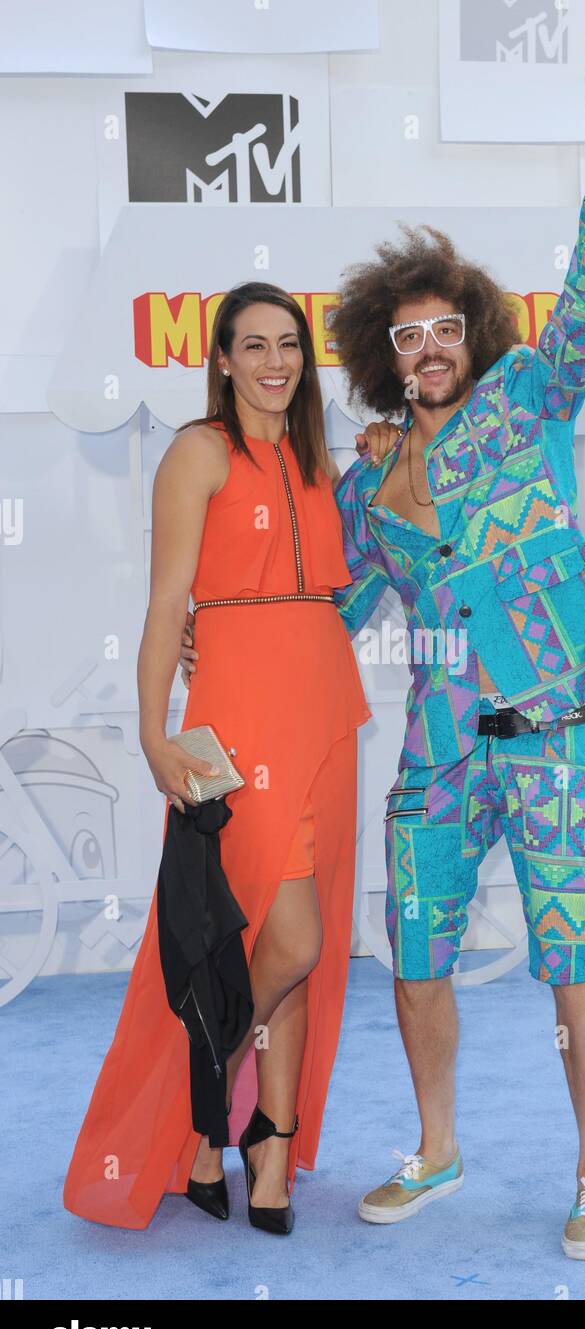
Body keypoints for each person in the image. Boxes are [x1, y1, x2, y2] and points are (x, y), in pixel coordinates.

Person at [181, 56, 585, 1258]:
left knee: (572, 955)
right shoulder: (367, 490)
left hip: (552, 734)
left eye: (448, 329)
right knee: (417, 957)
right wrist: (221, 625)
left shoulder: (528, 401)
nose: (431, 348)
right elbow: (320, 608)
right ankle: (437, 1147)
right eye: (410, 337)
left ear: (474, 336)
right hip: (438, 758)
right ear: (384, 355)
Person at [63, 282, 371, 1234]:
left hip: (325, 712)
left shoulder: (323, 460)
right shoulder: (199, 452)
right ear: (224, 360)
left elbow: (337, 590)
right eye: (254, 346)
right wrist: (153, 732)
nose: (275, 363)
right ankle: (202, 1116)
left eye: (289, 346)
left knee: (301, 947)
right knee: (278, 939)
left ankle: (266, 1155)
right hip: (238, 725)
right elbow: (166, 604)